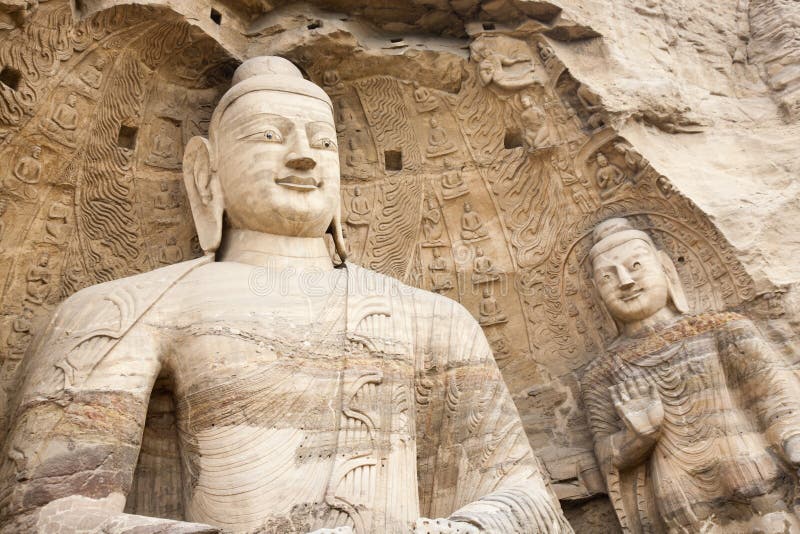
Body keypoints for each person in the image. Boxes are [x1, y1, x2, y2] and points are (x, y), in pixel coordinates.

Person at [0, 56, 571, 534]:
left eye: (323, 143)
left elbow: (527, 500)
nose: (303, 155)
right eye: (269, 136)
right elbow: (46, 512)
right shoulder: (133, 308)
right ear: (205, 172)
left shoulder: (432, 318)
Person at [581, 217, 800, 533]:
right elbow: (608, 454)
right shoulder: (602, 374)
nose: (625, 281)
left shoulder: (724, 329)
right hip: (680, 502)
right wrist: (637, 437)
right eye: (607, 277)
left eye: (636, 265)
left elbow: (775, 398)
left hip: (759, 482)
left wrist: (792, 441)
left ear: (666, 269)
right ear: (597, 294)